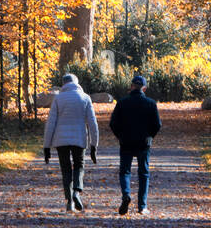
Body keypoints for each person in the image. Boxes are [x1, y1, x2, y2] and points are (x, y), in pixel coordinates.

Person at [42, 72, 99, 211]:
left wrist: (46, 147)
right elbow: (92, 123)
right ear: (77, 83)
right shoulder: (85, 98)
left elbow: (51, 123)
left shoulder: (58, 99)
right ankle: (76, 191)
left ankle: (69, 201)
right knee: (79, 165)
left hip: (60, 140)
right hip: (79, 138)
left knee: (65, 169)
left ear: (64, 84)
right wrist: (94, 145)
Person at [109, 74, 161, 215]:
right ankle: (142, 206)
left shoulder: (122, 102)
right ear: (144, 88)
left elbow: (113, 123)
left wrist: (120, 136)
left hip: (126, 142)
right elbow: (157, 124)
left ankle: (126, 194)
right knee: (143, 173)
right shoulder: (151, 103)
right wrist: (150, 135)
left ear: (132, 86)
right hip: (143, 143)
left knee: (125, 171)